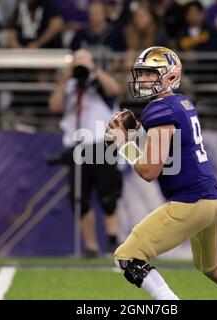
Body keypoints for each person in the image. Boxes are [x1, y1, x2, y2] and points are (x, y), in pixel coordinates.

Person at [106, 46, 217, 300]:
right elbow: (169, 145)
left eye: (149, 73)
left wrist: (123, 143)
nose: (142, 79)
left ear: (170, 75)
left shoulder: (159, 110)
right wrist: (136, 129)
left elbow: (149, 170)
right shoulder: (181, 103)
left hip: (191, 201)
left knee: (127, 257)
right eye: (141, 73)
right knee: (212, 267)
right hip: (213, 199)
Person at [48, 49, 123, 258]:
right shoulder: (70, 85)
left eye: (83, 61)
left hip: (100, 143)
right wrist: (65, 78)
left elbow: (115, 89)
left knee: (108, 195)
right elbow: (54, 106)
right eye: (77, 61)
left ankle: (112, 242)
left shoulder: (98, 81)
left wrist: (93, 70)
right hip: (77, 145)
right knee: (80, 198)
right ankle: (90, 246)